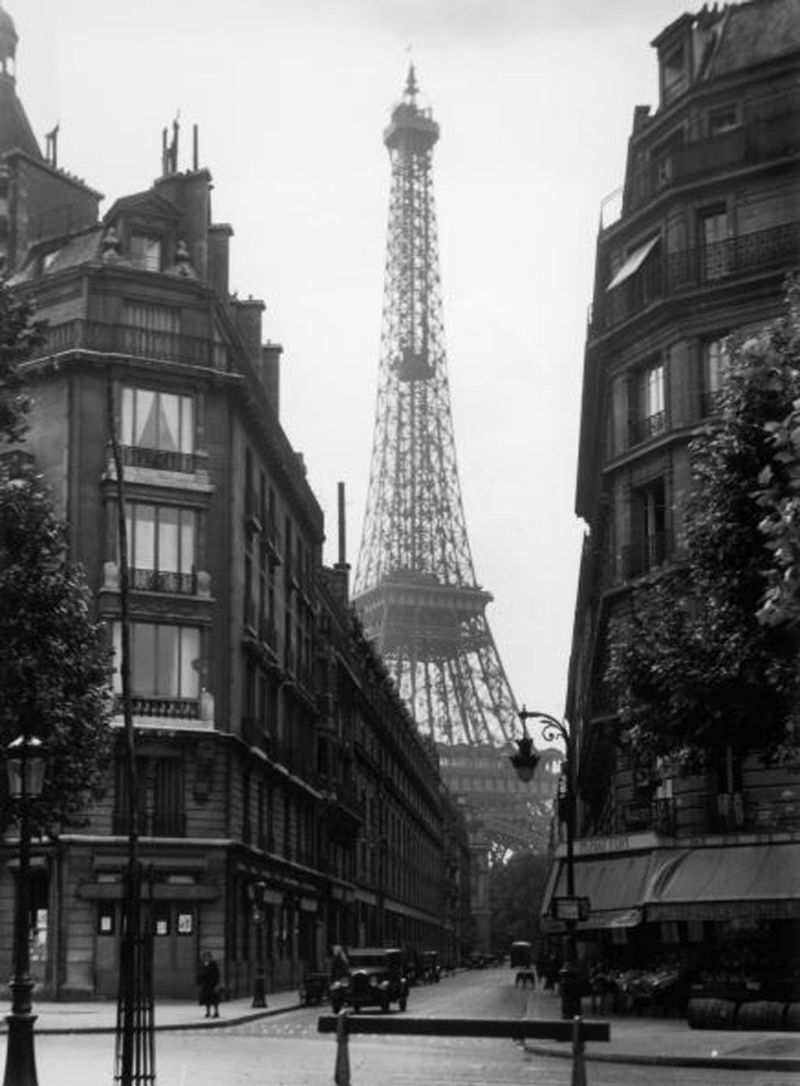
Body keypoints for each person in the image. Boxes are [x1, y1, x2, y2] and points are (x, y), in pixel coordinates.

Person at [197, 950, 221, 1018]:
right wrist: (199, 982)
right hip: (205, 985)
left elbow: (217, 974)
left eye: (208, 956)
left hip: (212, 984)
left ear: (210, 957)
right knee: (207, 1000)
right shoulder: (202, 964)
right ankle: (208, 1012)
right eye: (205, 956)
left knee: (214, 999)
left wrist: (217, 983)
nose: (207, 958)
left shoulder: (213, 964)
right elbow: (199, 973)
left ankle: (216, 1012)